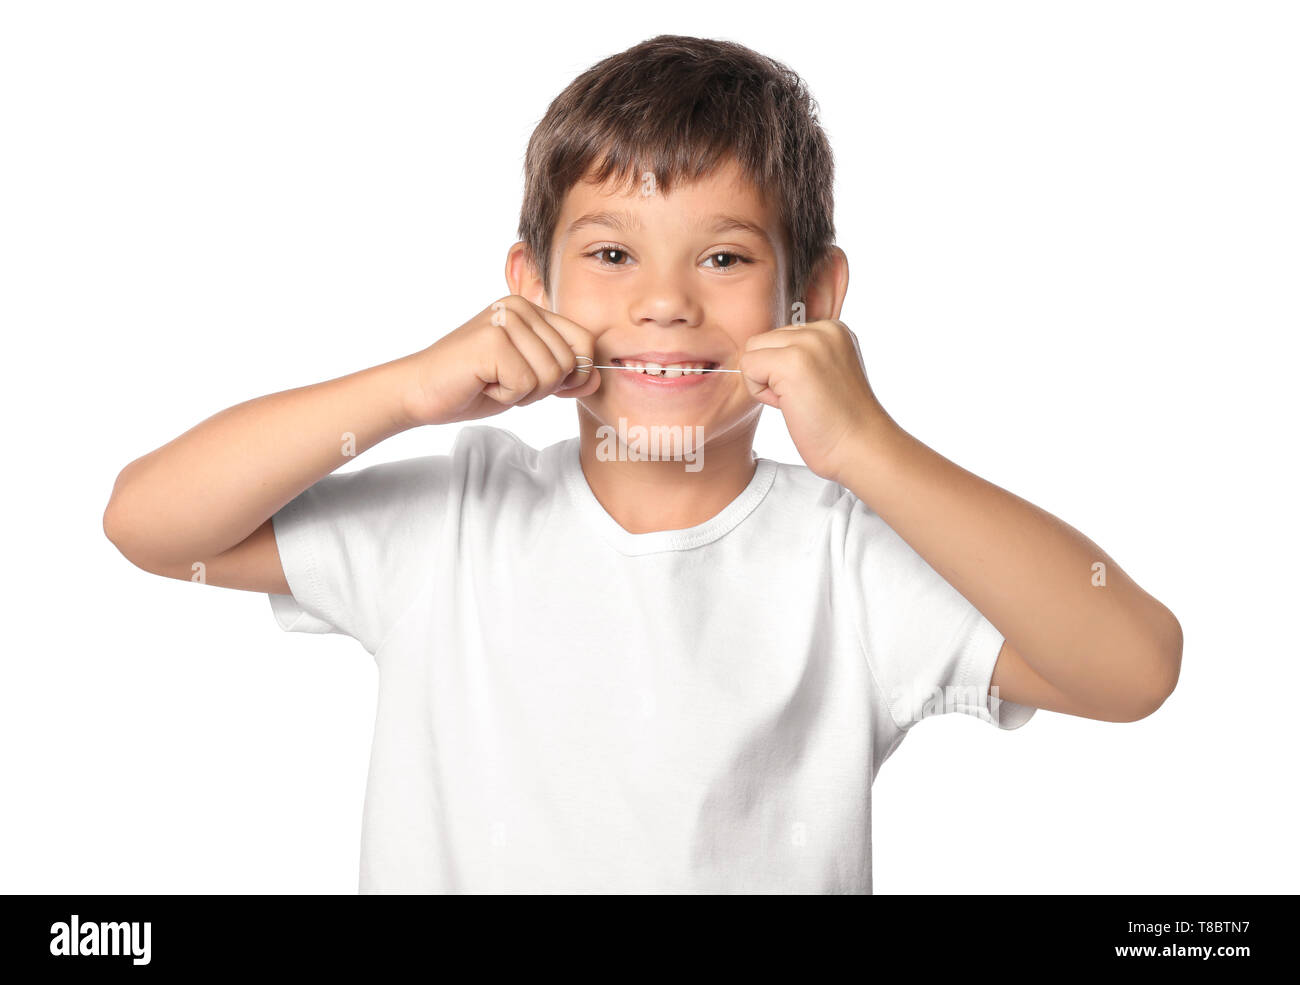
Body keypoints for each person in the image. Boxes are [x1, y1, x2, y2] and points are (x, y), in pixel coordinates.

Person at [103, 35, 1182, 893]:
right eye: (612, 254)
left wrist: (870, 450)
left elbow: (1132, 668)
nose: (664, 301)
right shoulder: (451, 516)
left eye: (723, 257)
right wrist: (404, 391)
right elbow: (148, 524)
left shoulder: (845, 560)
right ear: (531, 286)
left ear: (812, 296)